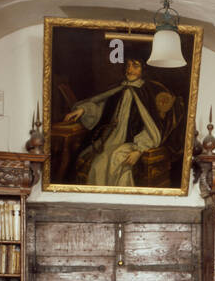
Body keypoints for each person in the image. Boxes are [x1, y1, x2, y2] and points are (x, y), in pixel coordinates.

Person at [62, 54, 181, 187]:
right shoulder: (119, 88)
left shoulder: (146, 93)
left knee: (112, 160)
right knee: (97, 163)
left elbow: (151, 126)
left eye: (135, 66)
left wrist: (139, 150)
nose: (129, 70)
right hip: (109, 138)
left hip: (131, 141)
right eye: (128, 65)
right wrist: (83, 110)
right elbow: (102, 108)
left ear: (143, 70)